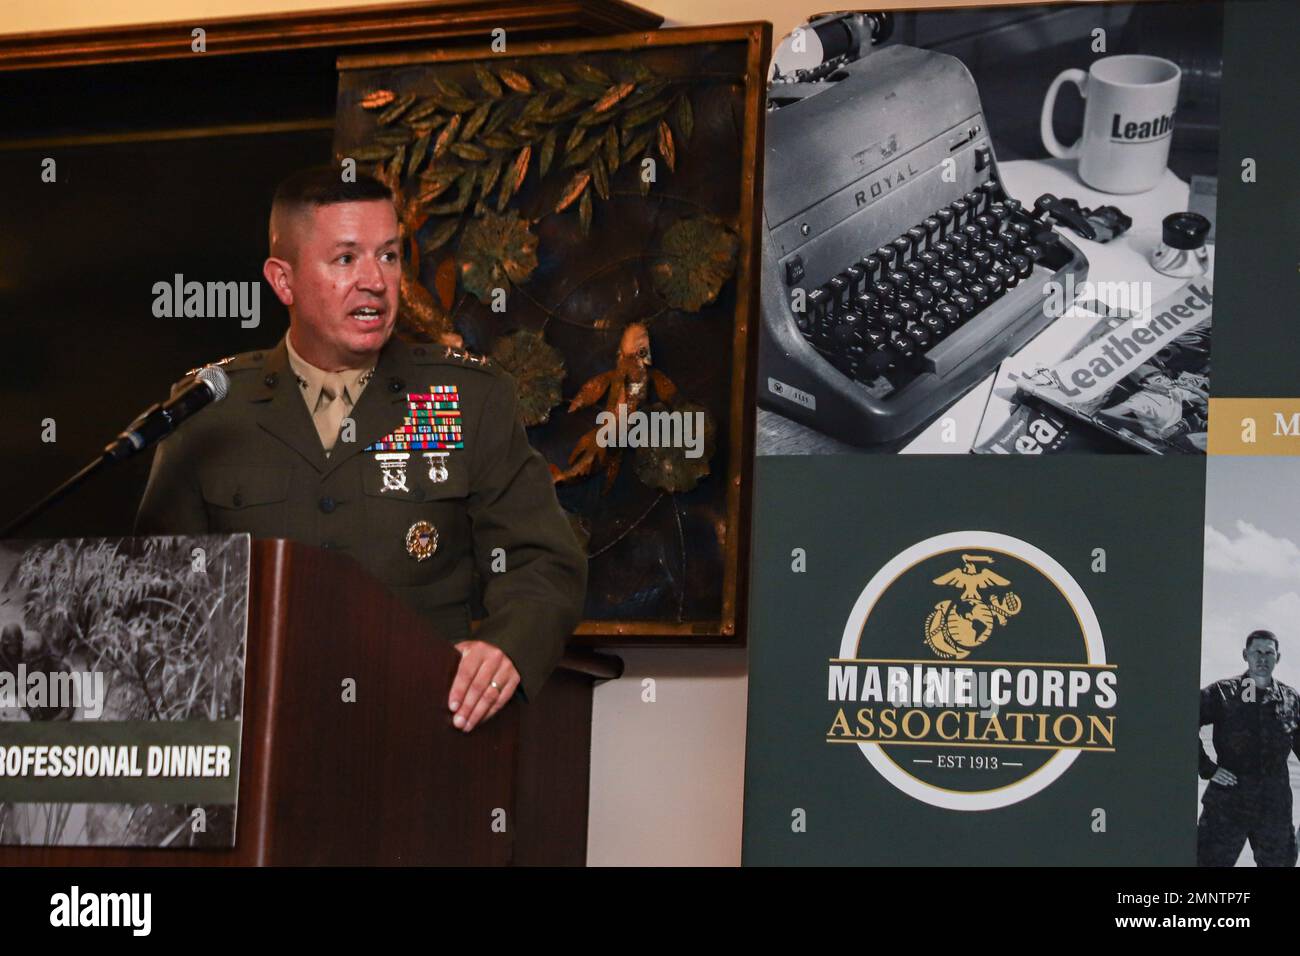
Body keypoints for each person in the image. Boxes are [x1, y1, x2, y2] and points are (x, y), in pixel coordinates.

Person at [135, 165, 587, 733]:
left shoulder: (469, 399)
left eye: (389, 256)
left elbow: (543, 560)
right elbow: (155, 590)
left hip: (421, 731)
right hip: (256, 737)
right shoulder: (209, 409)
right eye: (346, 258)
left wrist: (506, 648)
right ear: (283, 281)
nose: (375, 280)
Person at [1196, 629, 1300, 866]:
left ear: (1278, 657)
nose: (1263, 658)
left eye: (1269, 653)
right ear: (1245, 655)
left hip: (1274, 807)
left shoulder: (1290, 699)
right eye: (1257, 652)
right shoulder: (1223, 693)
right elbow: (1182, 722)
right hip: (1227, 803)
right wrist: (1207, 768)